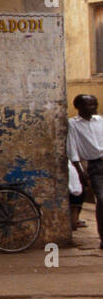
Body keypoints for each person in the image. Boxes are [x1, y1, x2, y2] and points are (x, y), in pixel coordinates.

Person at [67, 94, 103, 242]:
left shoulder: (100, 121)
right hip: (93, 165)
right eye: (89, 105)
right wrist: (81, 172)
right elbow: (72, 149)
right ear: (78, 107)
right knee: (101, 200)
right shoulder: (73, 124)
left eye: (95, 104)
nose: (93, 108)